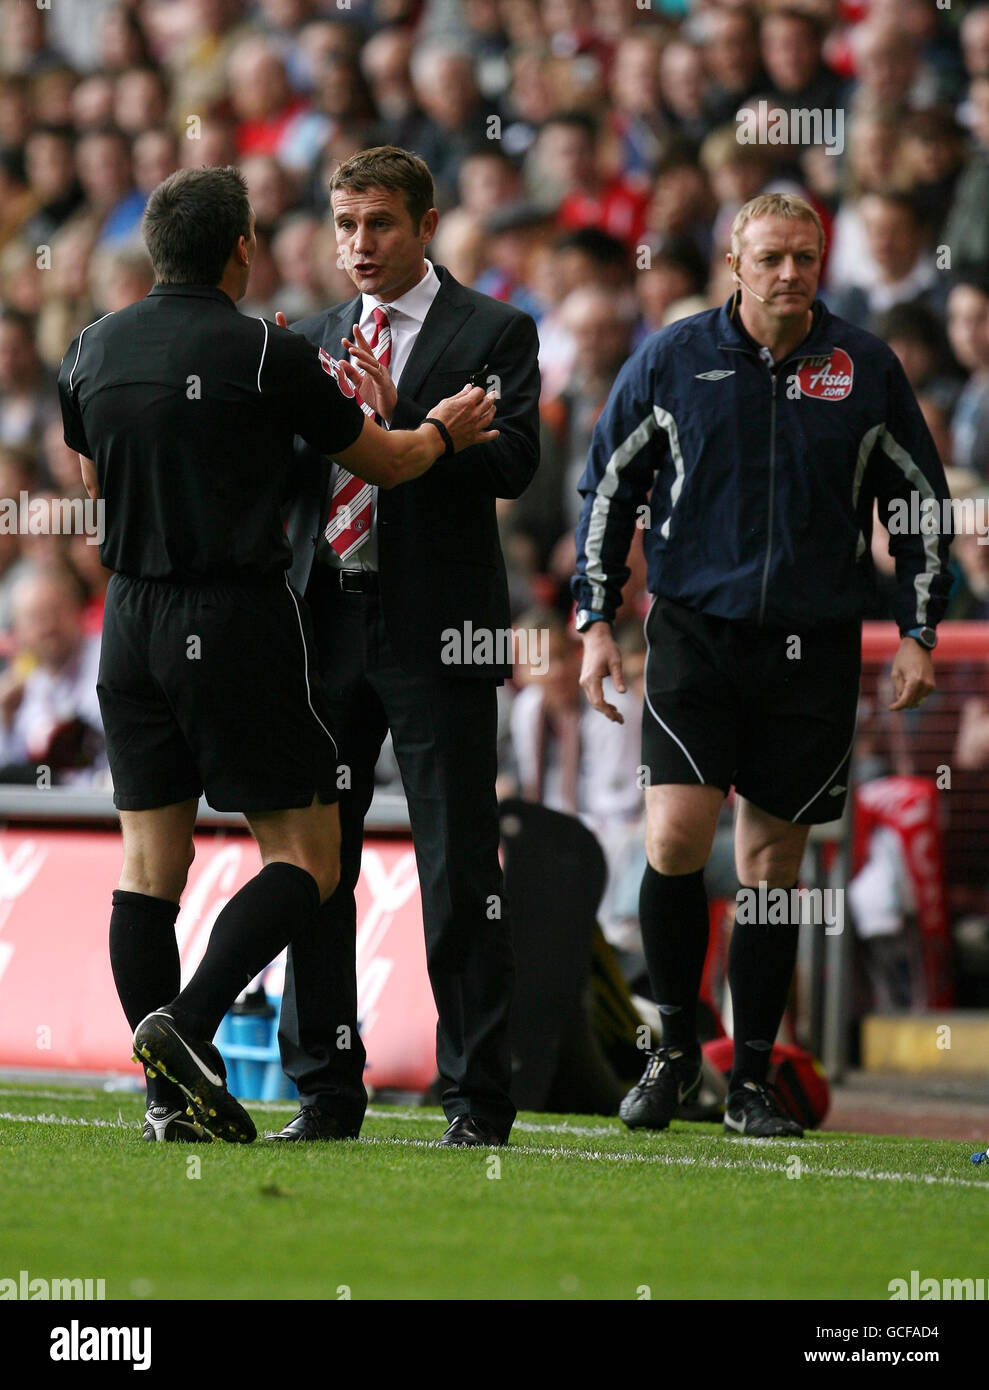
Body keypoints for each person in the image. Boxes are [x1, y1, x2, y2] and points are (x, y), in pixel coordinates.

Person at [56, 165, 497, 1145]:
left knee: (147, 865)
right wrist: (438, 428)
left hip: (126, 616)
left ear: (152, 248)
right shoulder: (267, 350)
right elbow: (381, 463)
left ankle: (168, 1101)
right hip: (234, 616)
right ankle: (190, 1022)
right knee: (309, 853)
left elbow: (90, 465)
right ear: (242, 249)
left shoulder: (89, 348)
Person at [573, 192, 953, 1139]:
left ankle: (748, 1080)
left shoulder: (863, 367)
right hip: (695, 633)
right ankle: (668, 1053)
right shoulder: (670, 357)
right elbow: (607, 490)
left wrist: (916, 631)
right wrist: (592, 620)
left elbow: (917, 506)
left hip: (812, 647)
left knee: (772, 865)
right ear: (732, 264)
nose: (789, 273)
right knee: (673, 840)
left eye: (805, 257)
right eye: (771, 257)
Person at [273, 145, 540, 1148]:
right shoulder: (311, 338)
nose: (358, 244)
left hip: (441, 629)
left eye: (378, 223)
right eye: (344, 224)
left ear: (426, 225)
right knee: (314, 859)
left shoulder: (494, 329)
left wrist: (409, 431)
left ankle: (474, 1096)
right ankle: (325, 1090)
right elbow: (293, 477)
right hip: (326, 619)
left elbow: (513, 461)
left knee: (458, 861)